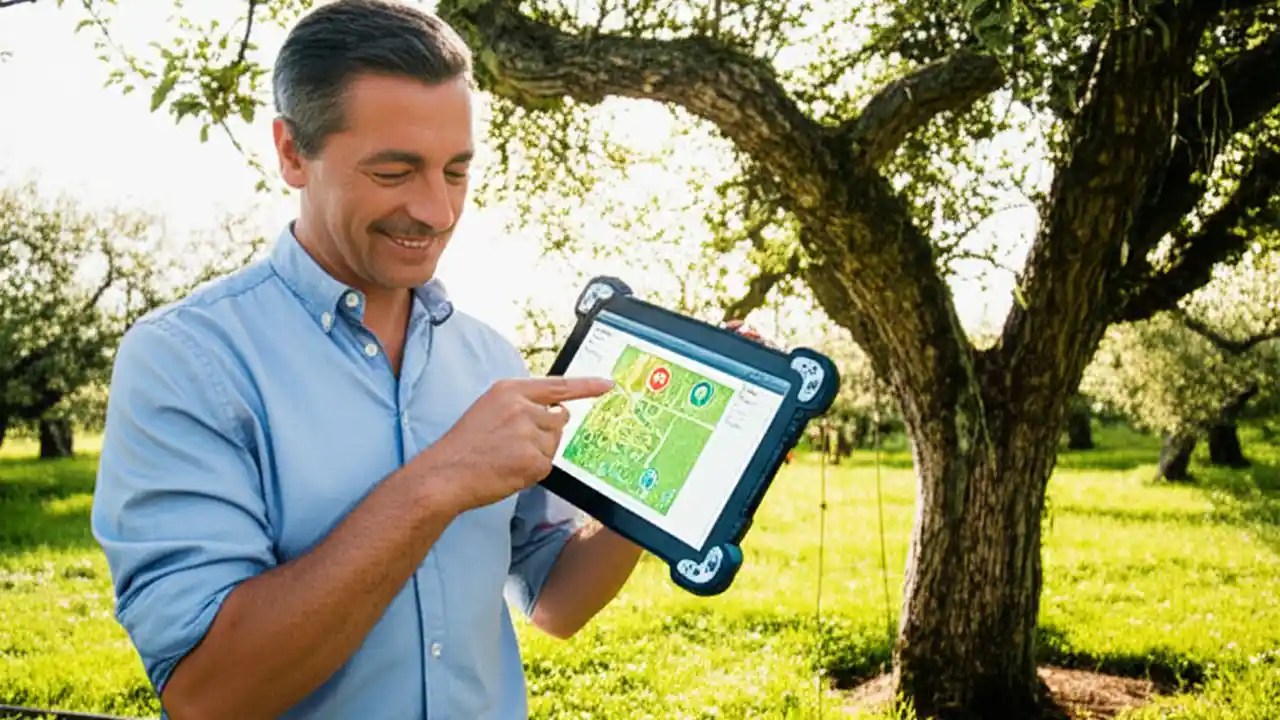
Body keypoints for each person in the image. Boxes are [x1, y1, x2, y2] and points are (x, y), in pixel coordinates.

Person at [90, 2, 644, 718]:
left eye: (456, 171)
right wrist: (440, 479)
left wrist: (665, 490)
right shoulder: (186, 363)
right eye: (395, 171)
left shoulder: (490, 358)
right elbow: (209, 693)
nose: (438, 210)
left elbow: (555, 601)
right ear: (292, 152)